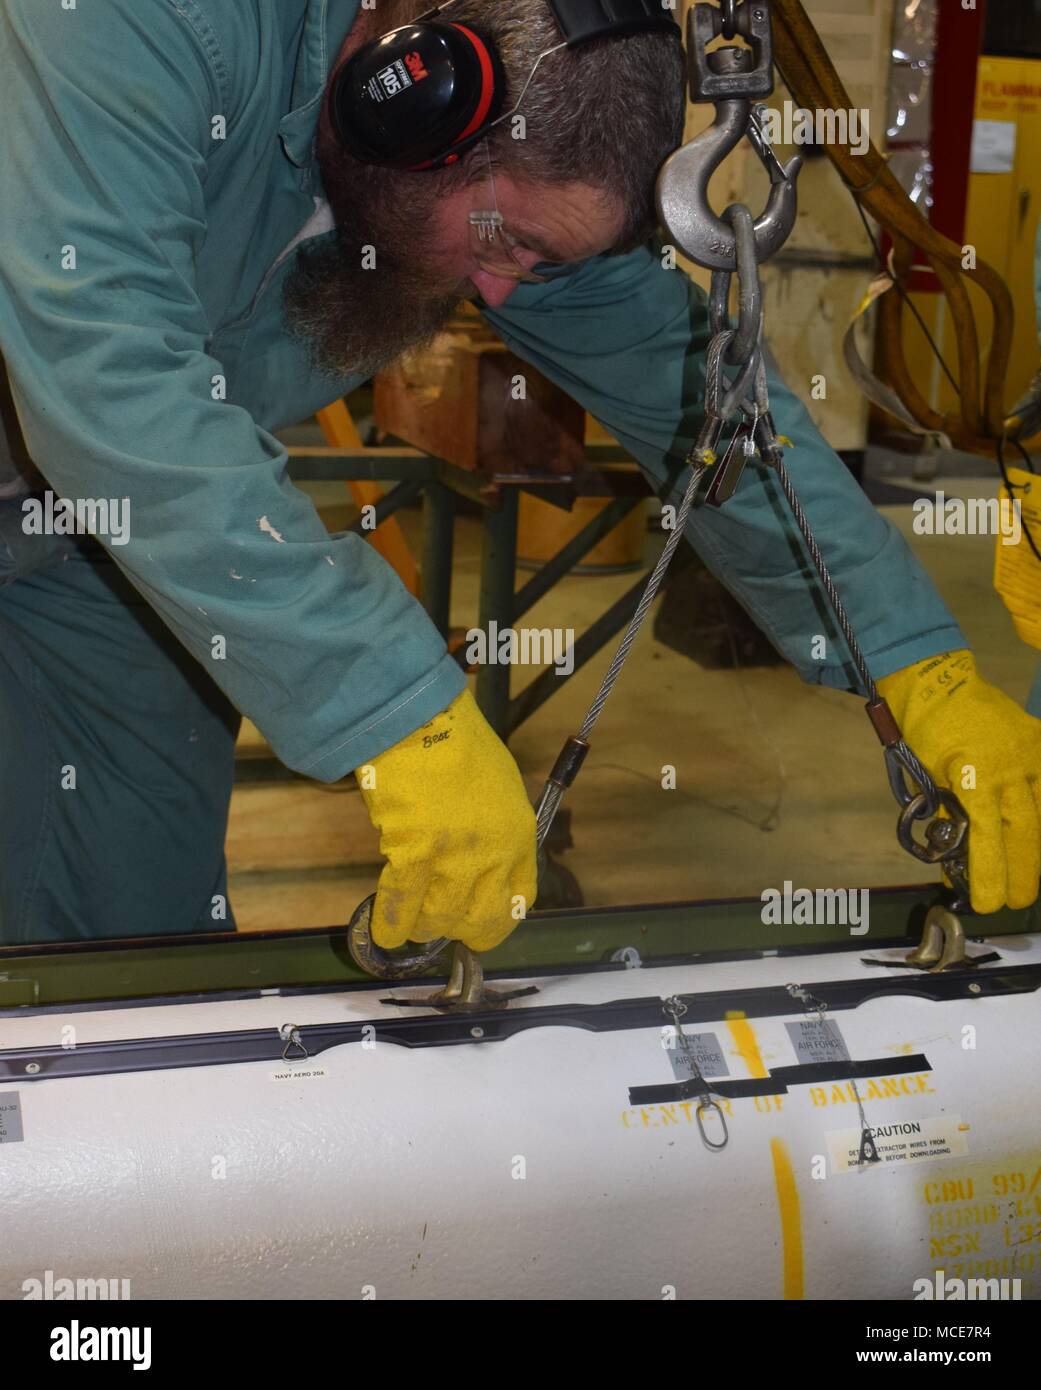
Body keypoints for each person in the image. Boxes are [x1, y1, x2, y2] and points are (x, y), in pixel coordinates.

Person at [1, 0, 1037, 949]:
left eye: (541, 261)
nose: (500, 285)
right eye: (512, 239)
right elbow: (110, 367)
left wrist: (911, 663)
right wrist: (394, 705)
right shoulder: (153, 22)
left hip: (104, 546)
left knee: (127, 933)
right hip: (99, 460)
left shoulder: (496, 211)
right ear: (406, 100)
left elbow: (706, 409)